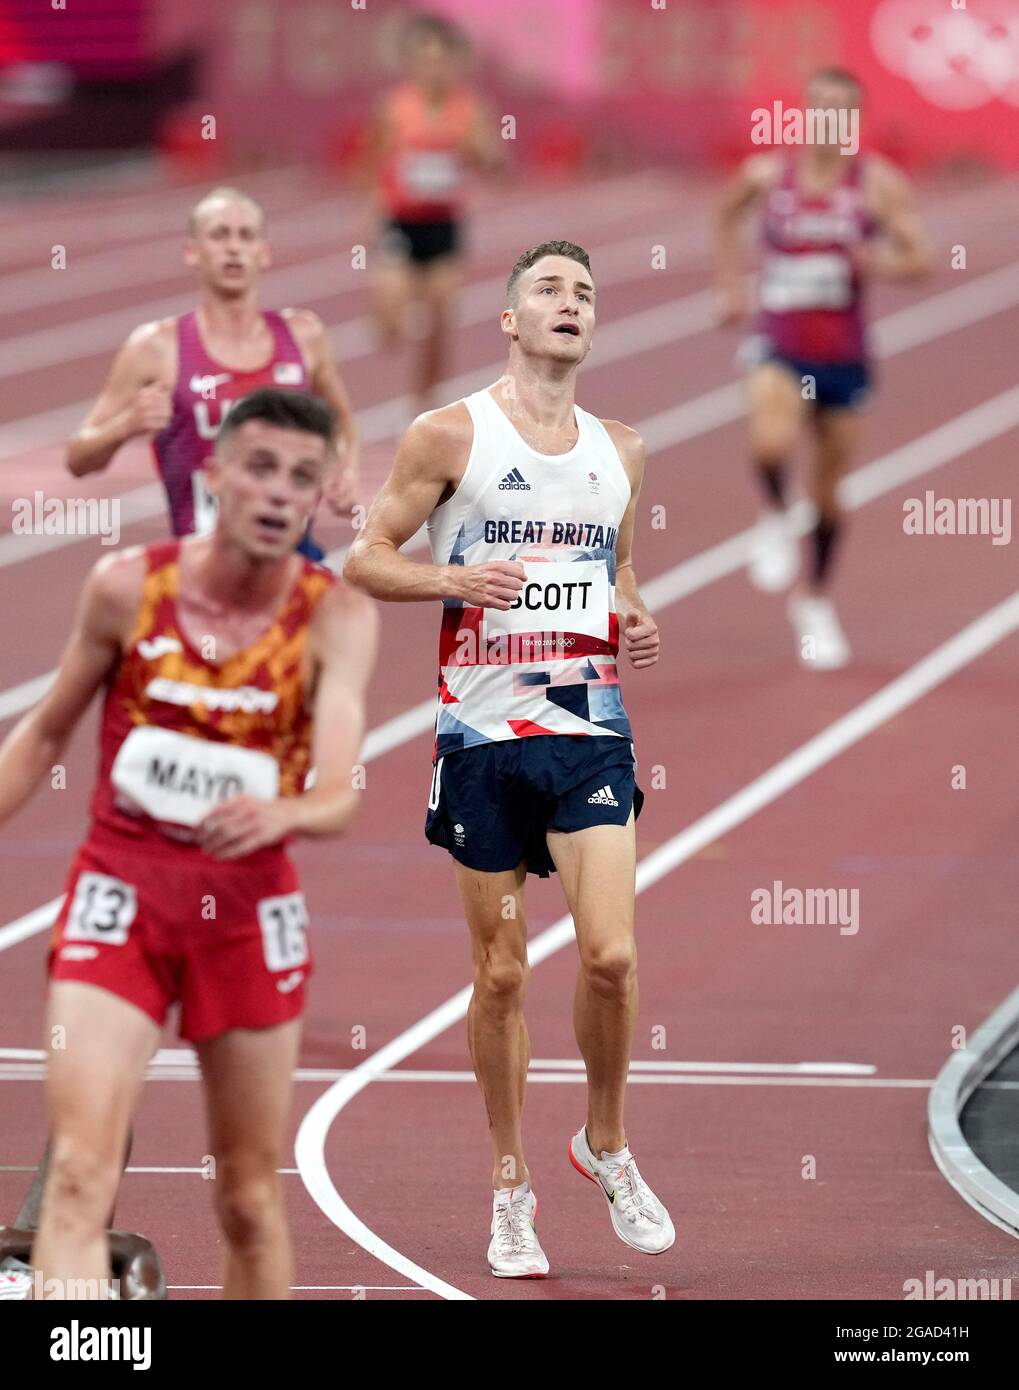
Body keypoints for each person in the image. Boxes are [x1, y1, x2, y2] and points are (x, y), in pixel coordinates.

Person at [345, 240, 675, 1278]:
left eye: (584, 289)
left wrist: (633, 607)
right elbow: (364, 556)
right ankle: (507, 1185)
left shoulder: (619, 448)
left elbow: (615, 573)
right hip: (483, 740)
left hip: (586, 732)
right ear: (508, 319)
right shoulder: (450, 434)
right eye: (548, 288)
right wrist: (454, 580)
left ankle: (605, 1143)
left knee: (610, 956)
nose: (569, 301)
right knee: (497, 975)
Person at [1, 388, 377, 1299]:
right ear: (213, 476)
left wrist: (284, 813)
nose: (279, 494)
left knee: (248, 1199)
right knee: (81, 1178)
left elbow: (337, 792)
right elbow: (47, 732)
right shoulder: (130, 587)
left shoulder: (334, 616)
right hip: (120, 895)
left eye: (300, 476)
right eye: (259, 468)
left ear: (319, 490)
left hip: (247, 914)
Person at [716, 66, 932, 668]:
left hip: (843, 354)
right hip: (779, 343)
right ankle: (776, 515)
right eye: (819, 105)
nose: (828, 117)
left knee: (831, 492)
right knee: (769, 442)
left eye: (842, 107)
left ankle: (812, 599)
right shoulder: (766, 176)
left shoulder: (877, 186)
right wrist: (731, 288)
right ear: (805, 113)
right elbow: (724, 218)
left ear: (854, 117)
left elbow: (922, 258)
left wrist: (879, 262)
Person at [66, 186, 360, 561]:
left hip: (293, 558)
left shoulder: (305, 336)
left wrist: (344, 468)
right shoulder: (156, 348)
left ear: (264, 252)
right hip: (201, 566)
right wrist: (126, 424)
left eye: (246, 236)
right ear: (192, 251)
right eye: (220, 235)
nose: (234, 248)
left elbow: (341, 422)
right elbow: (78, 458)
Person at [362, 12, 502, 414]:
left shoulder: (470, 110)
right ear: (413, 63)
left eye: (442, 60)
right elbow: (369, 157)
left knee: (441, 315)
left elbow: (493, 161)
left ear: (456, 64)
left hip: (444, 224)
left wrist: (484, 153)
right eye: (425, 60)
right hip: (401, 221)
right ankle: (385, 314)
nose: (434, 69)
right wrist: (367, 209)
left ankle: (424, 404)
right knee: (393, 314)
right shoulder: (394, 107)